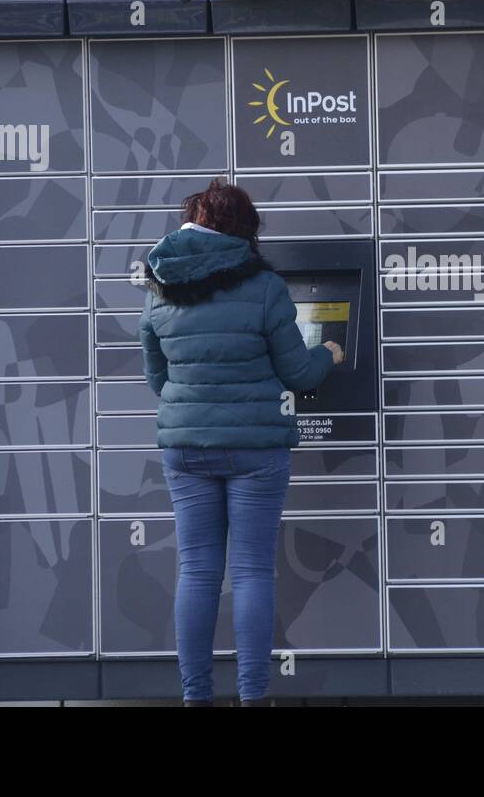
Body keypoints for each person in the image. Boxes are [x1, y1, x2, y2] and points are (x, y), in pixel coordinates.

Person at [139, 179, 344, 707]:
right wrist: (333, 355)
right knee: (251, 570)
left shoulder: (160, 285)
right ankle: (254, 697)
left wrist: (197, 406)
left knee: (197, 569)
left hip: (185, 448)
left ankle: (195, 697)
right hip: (256, 450)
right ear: (243, 229)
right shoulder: (264, 287)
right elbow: (299, 373)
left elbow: (158, 379)